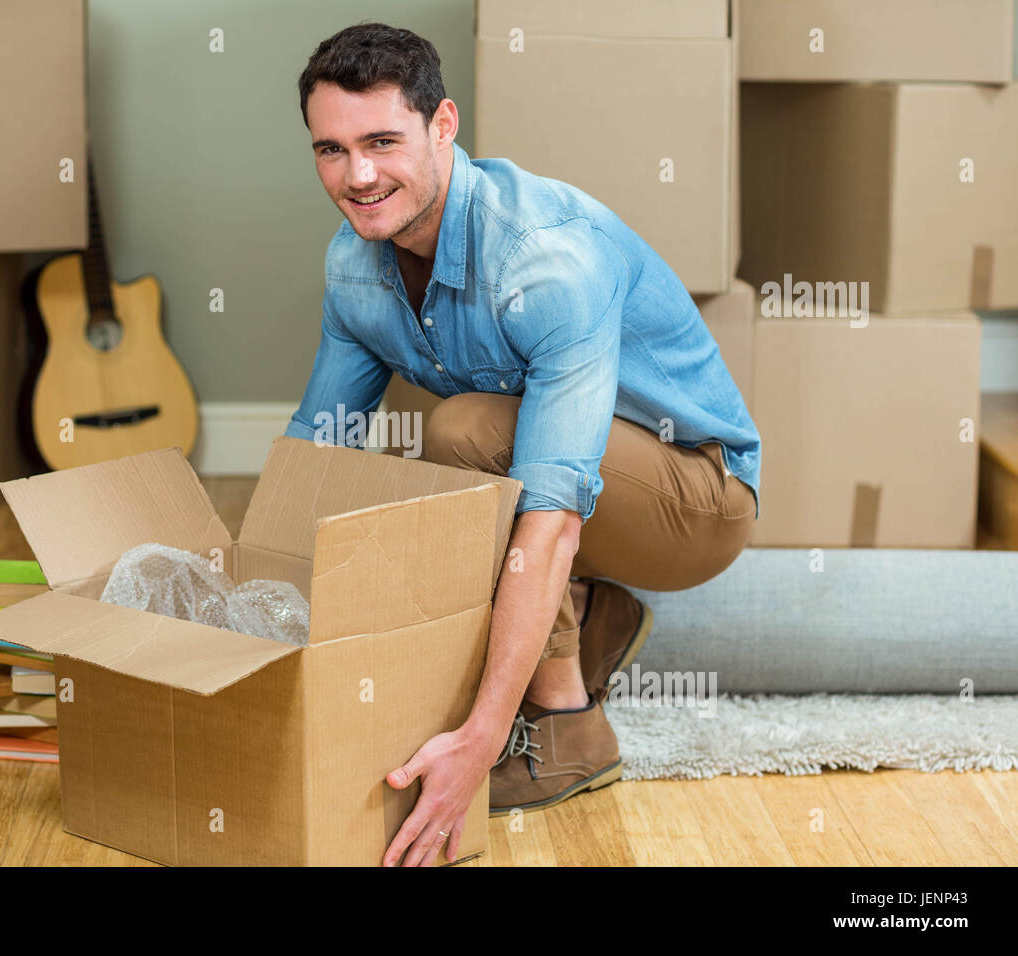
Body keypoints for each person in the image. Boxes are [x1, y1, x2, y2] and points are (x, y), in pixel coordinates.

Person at [284, 23, 761, 867]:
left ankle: (569, 730)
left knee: (465, 435)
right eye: (333, 149)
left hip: (699, 494)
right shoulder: (356, 267)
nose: (357, 177)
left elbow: (549, 519)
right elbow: (314, 454)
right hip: (592, 478)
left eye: (383, 141)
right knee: (443, 455)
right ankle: (596, 617)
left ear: (443, 126)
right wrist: (253, 619)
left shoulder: (543, 261)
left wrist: (478, 737)